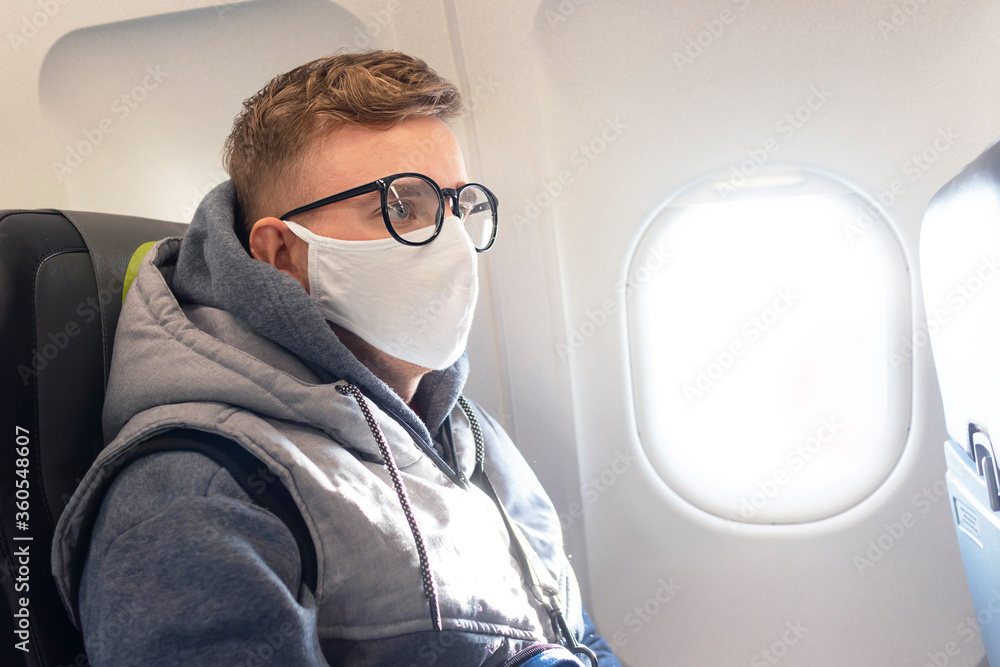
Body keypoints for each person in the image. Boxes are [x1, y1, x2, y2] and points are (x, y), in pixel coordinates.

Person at [52, 51, 621, 666]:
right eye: (401, 208)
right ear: (282, 254)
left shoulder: (470, 433)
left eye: (458, 207)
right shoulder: (201, 494)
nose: (452, 242)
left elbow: (574, 635)